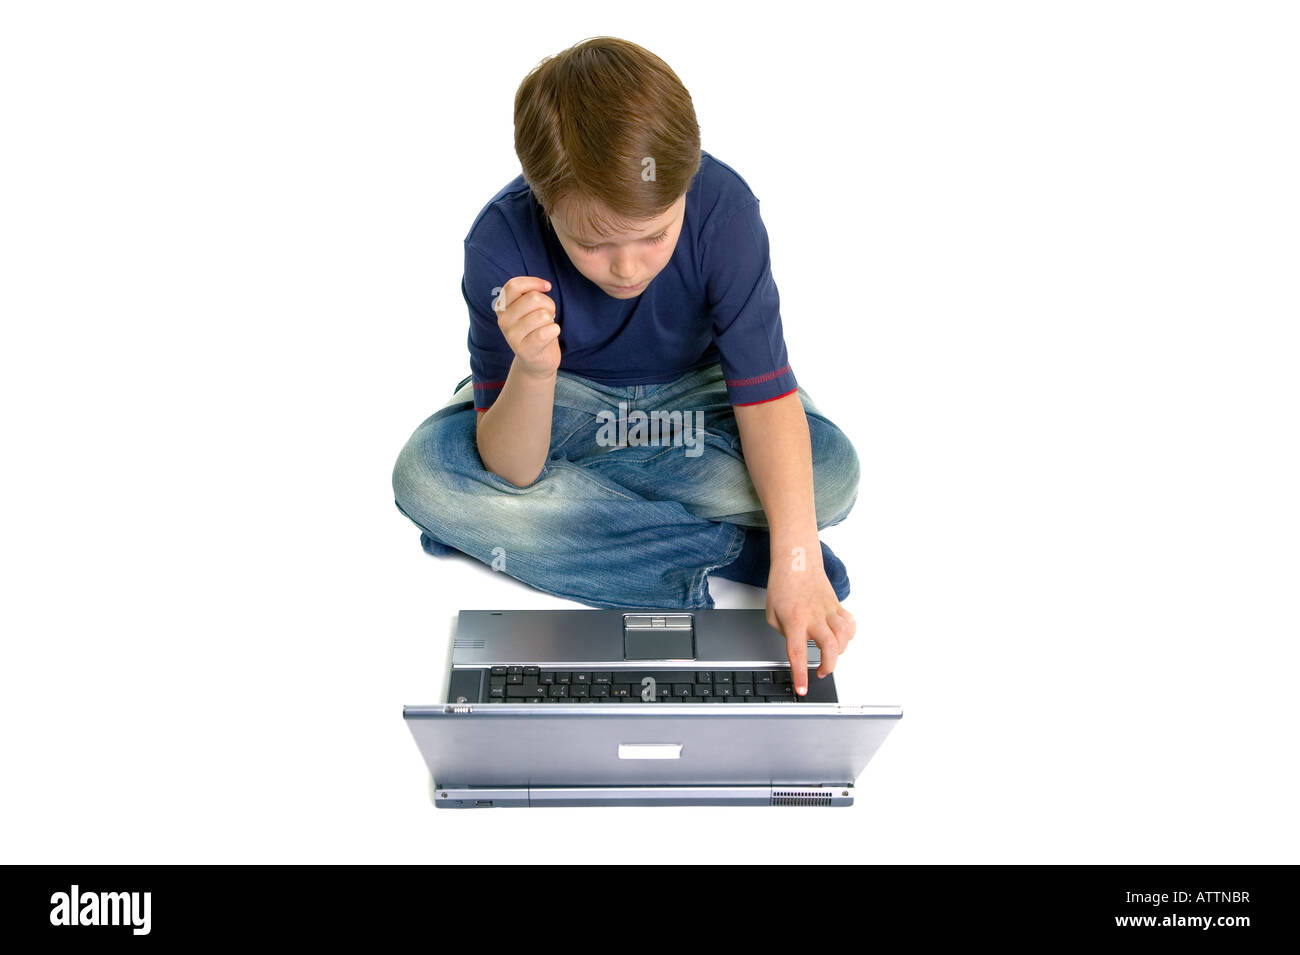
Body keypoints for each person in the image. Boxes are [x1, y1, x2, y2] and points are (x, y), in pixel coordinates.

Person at [392, 37, 860, 694]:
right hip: (565, 405)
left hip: (697, 403)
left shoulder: (725, 209)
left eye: (656, 234)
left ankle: (562, 525)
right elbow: (514, 466)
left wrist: (798, 559)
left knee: (833, 469)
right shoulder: (499, 240)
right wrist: (532, 371)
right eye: (592, 242)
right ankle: (728, 549)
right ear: (544, 199)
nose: (628, 267)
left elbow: (765, 399)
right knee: (427, 475)